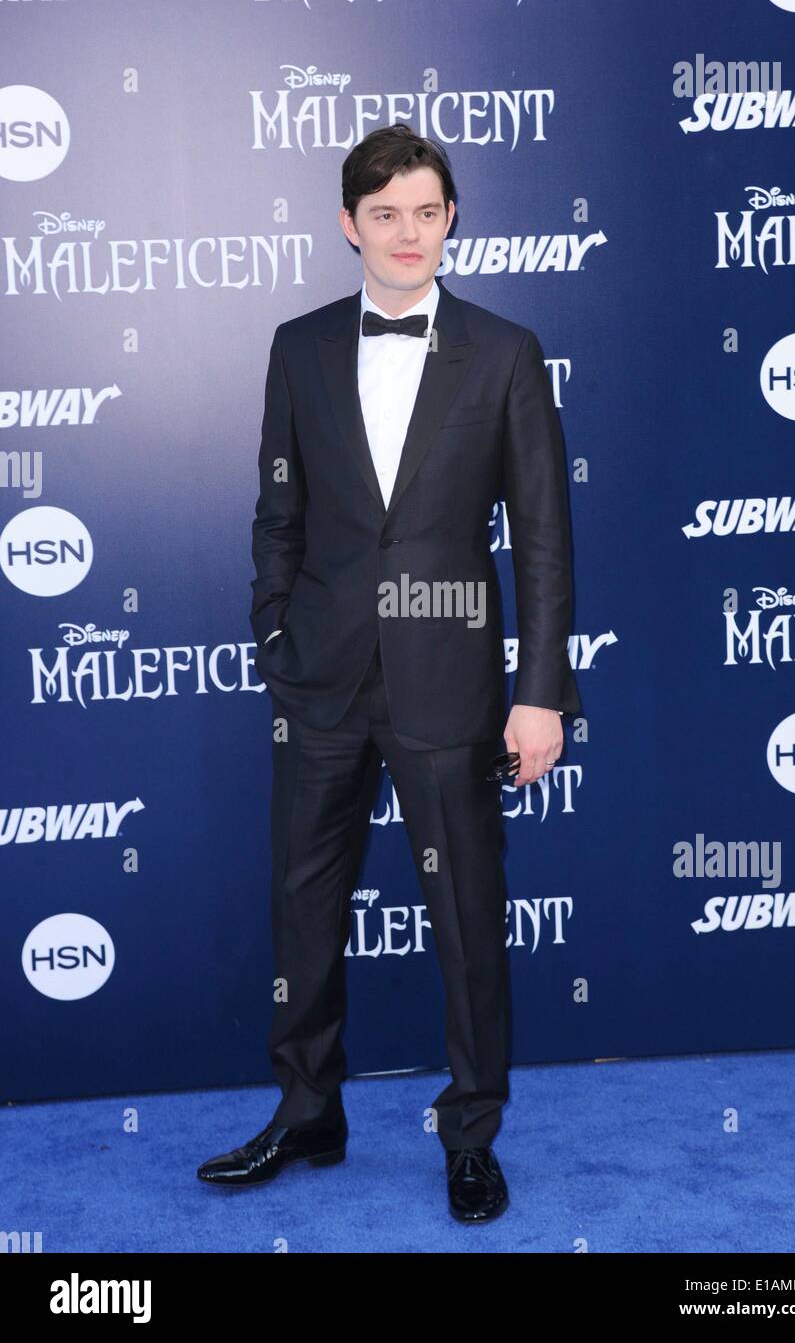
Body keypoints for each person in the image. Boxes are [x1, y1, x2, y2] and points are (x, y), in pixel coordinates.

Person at [197, 124, 582, 1223]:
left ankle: (471, 1134)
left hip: (450, 683)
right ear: (348, 225)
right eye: (384, 214)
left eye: (425, 210)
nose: (406, 232)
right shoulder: (299, 345)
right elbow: (281, 512)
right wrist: (277, 636)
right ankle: (308, 1108)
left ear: (450, 217)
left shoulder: (507, 352)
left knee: (465, 913)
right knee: (303, 908)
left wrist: (540, 689)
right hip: (319, 680)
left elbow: (545, 538)